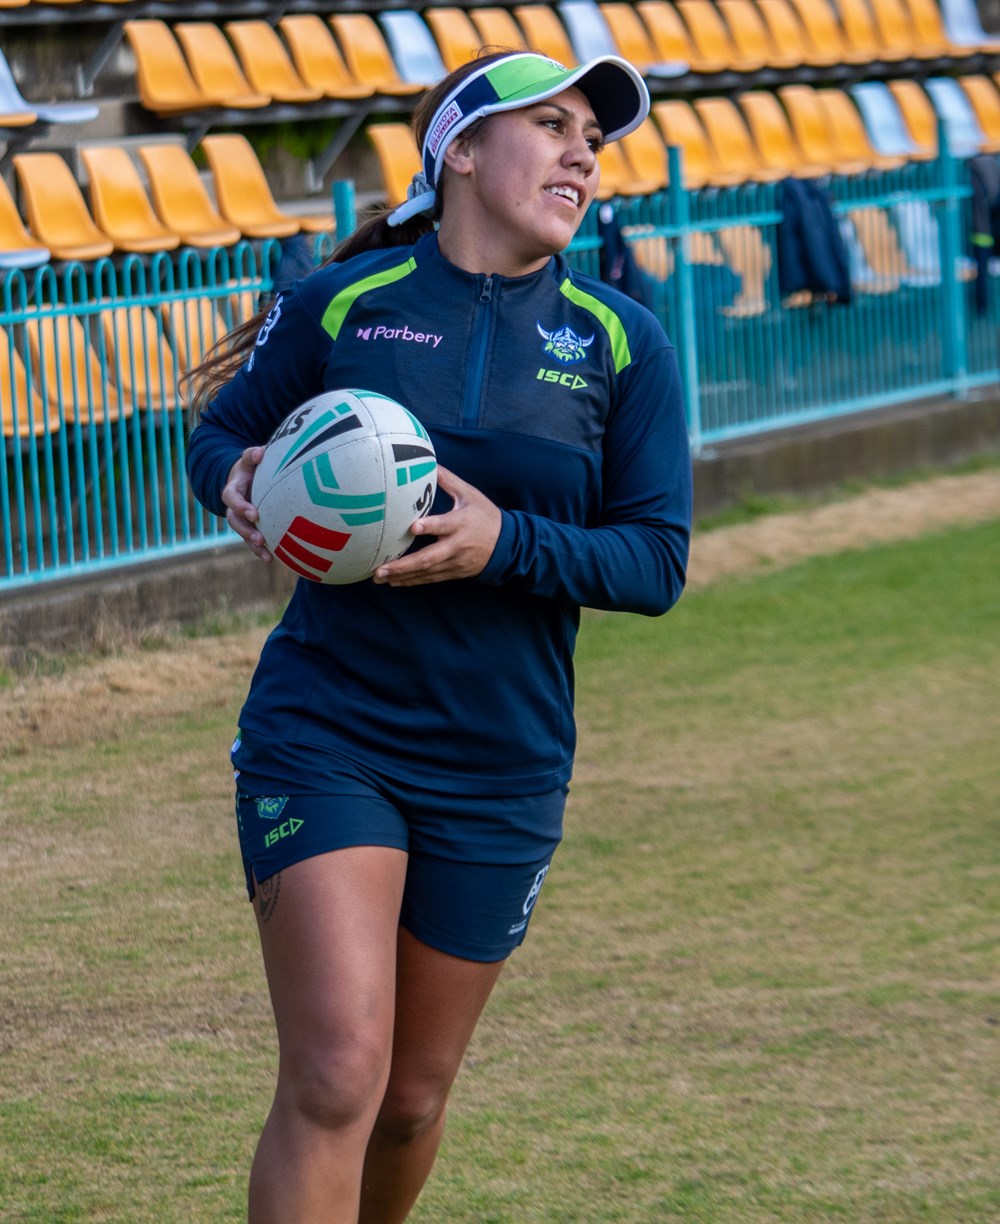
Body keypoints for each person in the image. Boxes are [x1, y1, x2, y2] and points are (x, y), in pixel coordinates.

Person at [185, 48, 693, 1224]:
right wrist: (240, 481)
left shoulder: (623, 343)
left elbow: (656, 562)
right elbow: (219, 435)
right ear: (459, 150)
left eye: (594, 141)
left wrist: (504, 541)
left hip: (502, 758)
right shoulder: (341, 305)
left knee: (410, 1099)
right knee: (336, 1074)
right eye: (552, 126)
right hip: (331, 729)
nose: (581, 152)